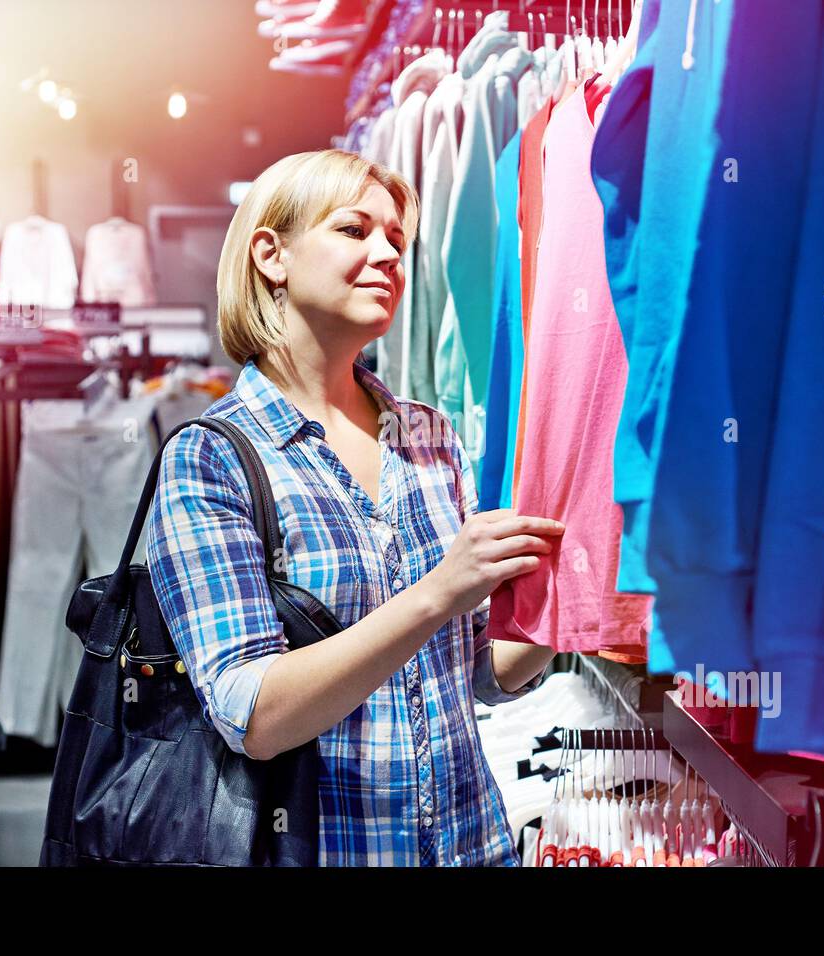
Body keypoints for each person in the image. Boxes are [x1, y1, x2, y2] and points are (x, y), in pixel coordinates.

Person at [146, 148, 563, 866]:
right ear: (271, 255)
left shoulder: (429, 438)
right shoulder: (211, 458)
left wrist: (581, 584)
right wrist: (436, 594)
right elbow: (255, 712)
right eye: (355, 231)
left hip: (474, 847)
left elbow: (479, 676)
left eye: (398, 241)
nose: (388, 256)